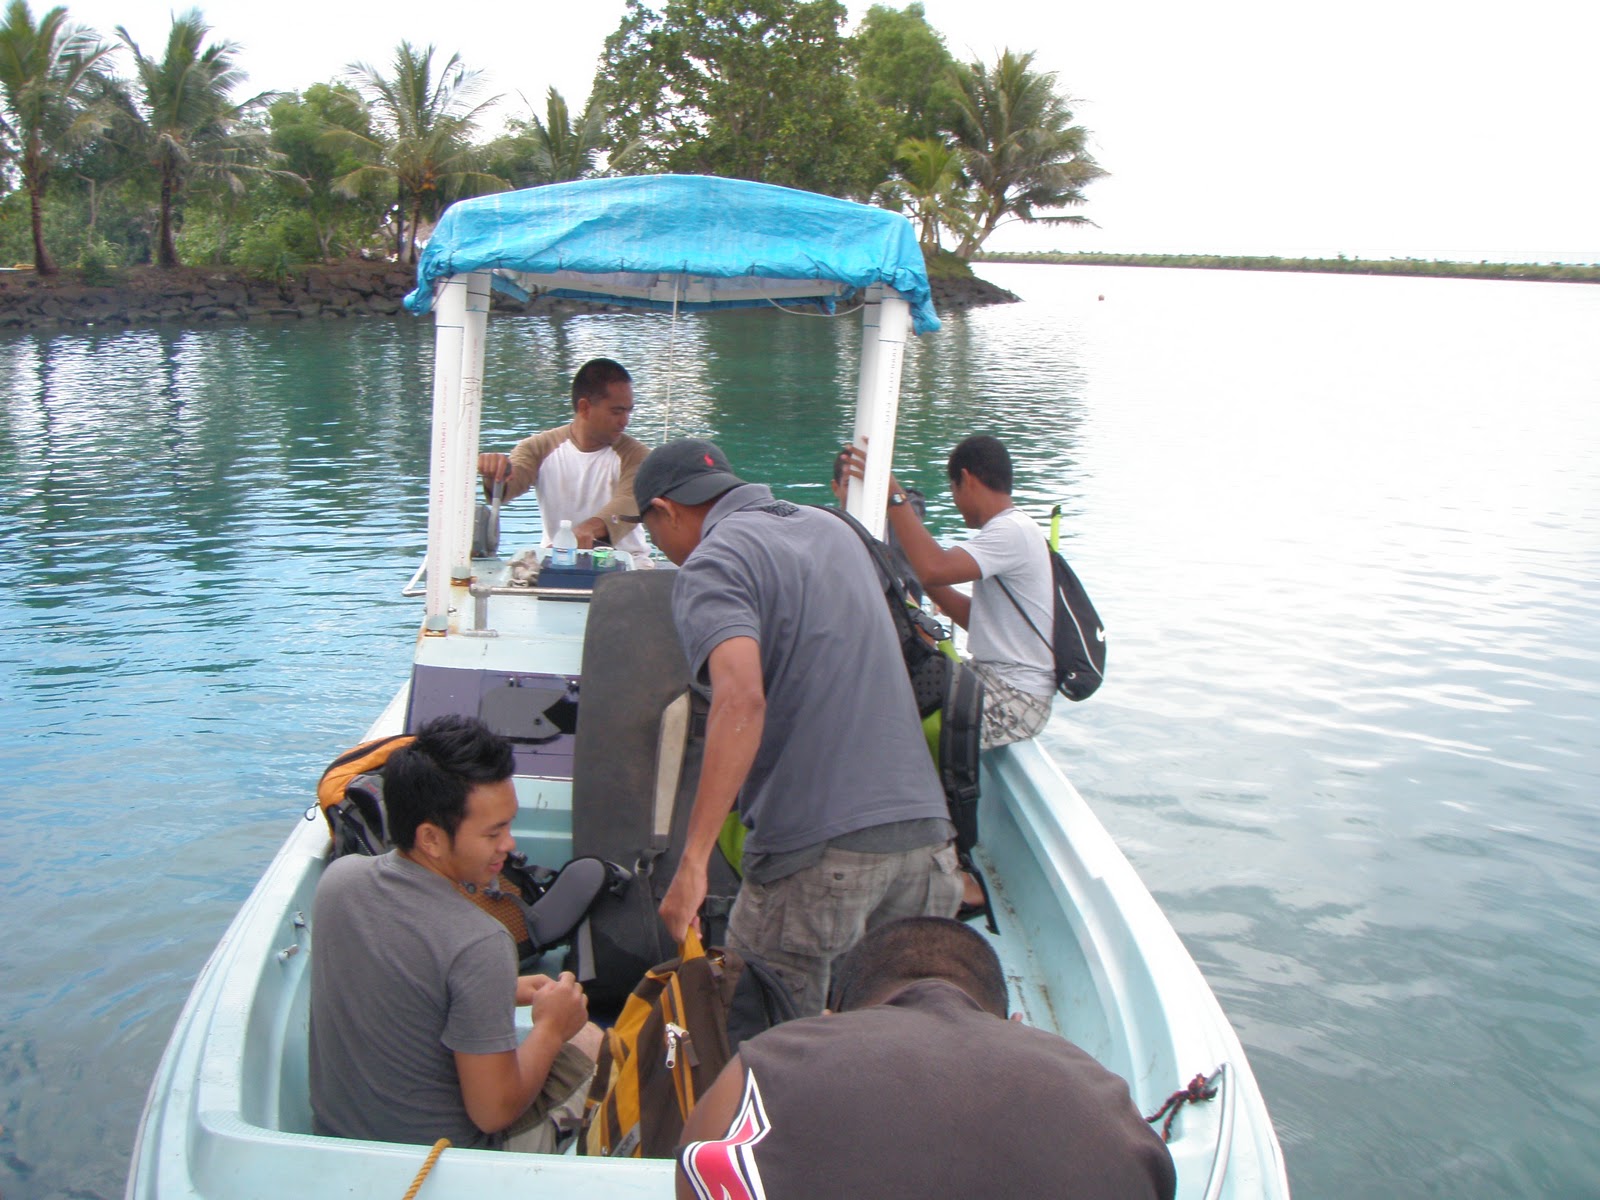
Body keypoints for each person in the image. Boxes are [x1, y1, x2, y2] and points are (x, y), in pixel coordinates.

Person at [625, 438, 963, 1016]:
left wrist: (693, 862)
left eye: (654, 535)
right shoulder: (835, 530)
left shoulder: (714, 561)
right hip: (926, 845)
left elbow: (740, 700)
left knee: (767, 1046)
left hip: (818, 857)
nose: (663, 551)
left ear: (665, 510)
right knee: (904, 1055)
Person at [675, 916, 1177, 1200]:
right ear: (1014, 1025)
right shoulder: (1106, 1101)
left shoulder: (762, 1068)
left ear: (832, 1018)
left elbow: (697, 1177)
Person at [308, 715, 602, 1153]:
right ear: (431, 839)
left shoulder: (339, 881)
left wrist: (504, 989)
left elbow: (406, 986)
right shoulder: (480, 942)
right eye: (493, 831)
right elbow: (494, 1111)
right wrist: (551, 1028)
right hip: (447, 1164)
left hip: (340, 1139)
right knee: (593, 1041)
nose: (509, 844)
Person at [842, 434, 1055, 750]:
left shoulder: (1011, 531)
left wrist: (894, 495)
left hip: (1017, 697)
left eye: (953, 489)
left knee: (888, 720)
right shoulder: (1015, 530)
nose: (954, 501)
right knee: (896, 682)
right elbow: (973, 615)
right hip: (995, 680)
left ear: (966, 479)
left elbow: (933, 567)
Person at [477, 357, 652, 566]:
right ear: (585, 407)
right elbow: (512, 480)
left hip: (627, 565)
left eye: (628, 411)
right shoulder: (537, 447)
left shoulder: (637, 456)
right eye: (617, 412)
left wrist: (586, 531)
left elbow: (629, 503)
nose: (625, 421)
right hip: (559, 562)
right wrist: (493, 474)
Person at [831, 447, 924, 603]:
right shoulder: (826, 532)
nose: (861, 493)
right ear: (836, 488)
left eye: (868, 483)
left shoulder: (901, 528)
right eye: (850, 484)